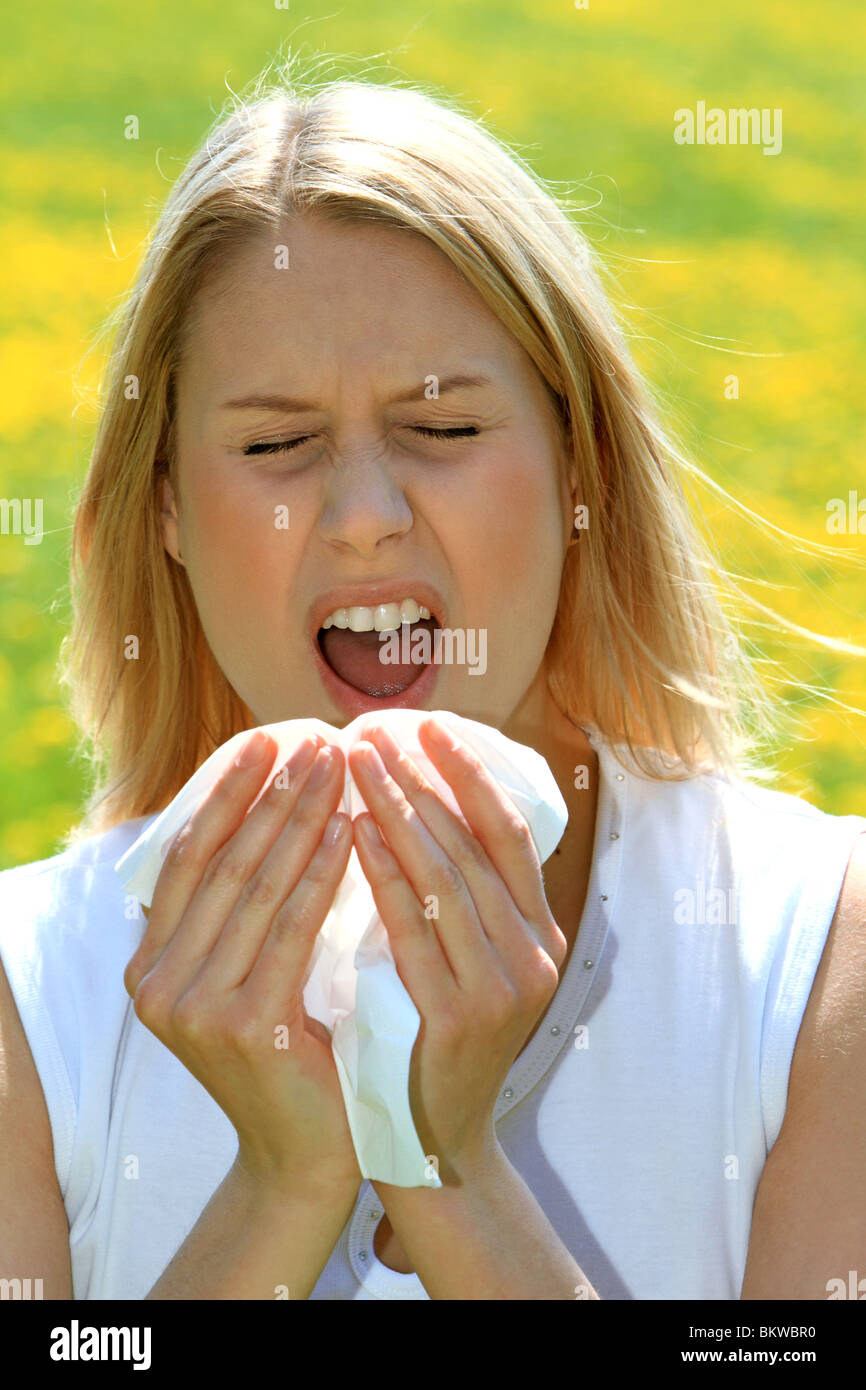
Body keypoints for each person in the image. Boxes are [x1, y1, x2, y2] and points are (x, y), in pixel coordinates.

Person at [1, 66, 864, 1302]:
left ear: (582, 470)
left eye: (444, 429)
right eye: (274, 445)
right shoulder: (29, 1003)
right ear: (168, 513)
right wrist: (277, 1190)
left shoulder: (816, 958)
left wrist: (448, 1177)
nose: (363, 516)